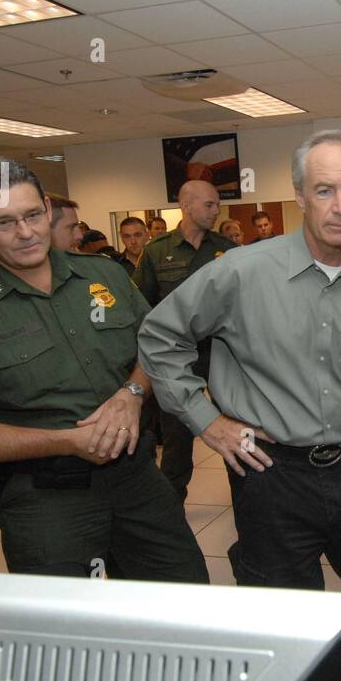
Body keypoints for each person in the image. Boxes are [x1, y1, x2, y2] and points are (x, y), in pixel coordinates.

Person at [0, 157, 207, 582]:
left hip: (137, 479)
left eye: (32, 215)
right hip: (45, 497)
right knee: (69, 632)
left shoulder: (106, 276)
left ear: (48, 209)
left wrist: (132, 394)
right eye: (4, 222)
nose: (25, 232)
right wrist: (66, 441)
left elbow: (158, 349)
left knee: (187, 601)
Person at [138, 129, 341, 593]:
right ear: (301, 196)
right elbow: (159, 336)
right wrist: (208, 421)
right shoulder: (241, 272)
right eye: (325, 190)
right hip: (271, 475)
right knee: (292, 626)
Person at [133, 179, 235, 504]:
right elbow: (141, 307)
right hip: (175, 357)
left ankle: (247, 504)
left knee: (234, 427)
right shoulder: (157, 250)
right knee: (177, 438)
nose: (217, 211)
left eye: (218, 204)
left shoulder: (227, 249)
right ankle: (171, 510)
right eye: (209, 205)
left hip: (222, 354)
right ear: (186, 206)